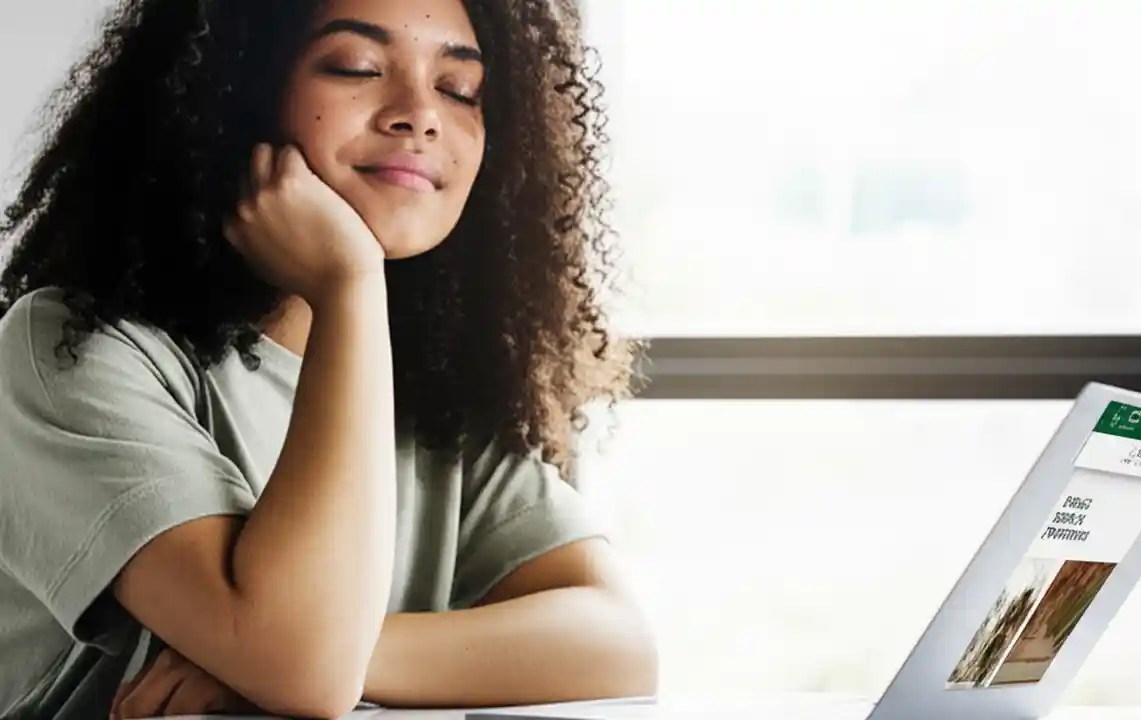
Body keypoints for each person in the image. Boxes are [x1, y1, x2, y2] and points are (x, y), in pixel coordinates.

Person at [0, 0, 656, 717]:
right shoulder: (71, 349)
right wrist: (349, 280)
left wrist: (346, 652)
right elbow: (303, 667)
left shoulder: (430, 399)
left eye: (459, 88)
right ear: (235, 94)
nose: (420, 114)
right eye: (357, 67)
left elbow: (619, 640)